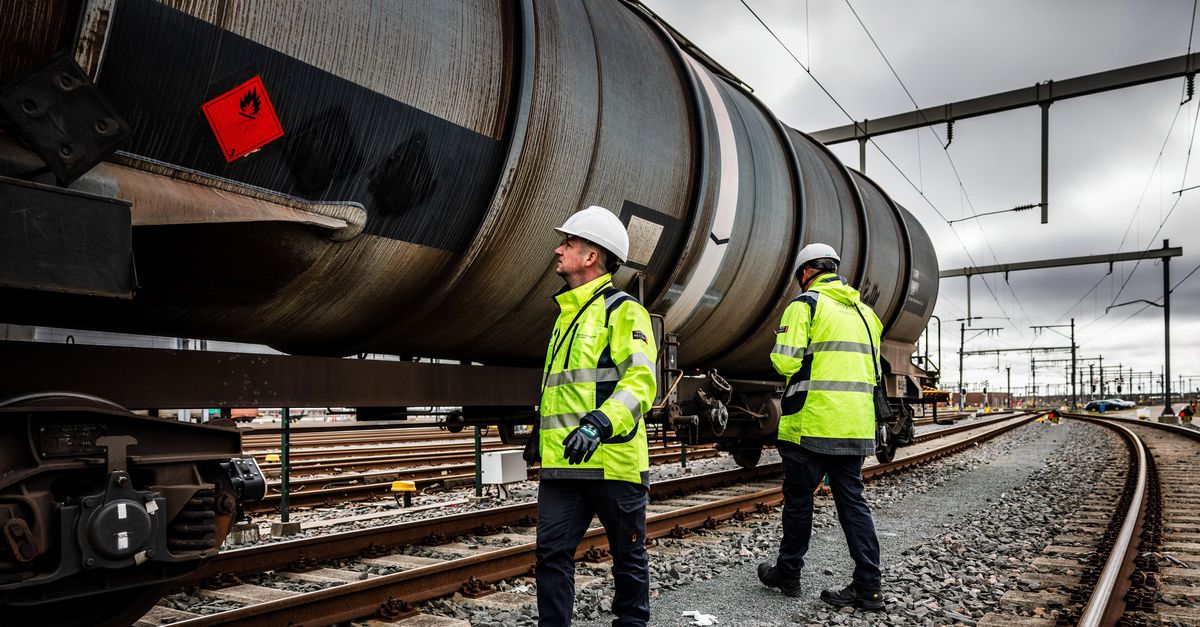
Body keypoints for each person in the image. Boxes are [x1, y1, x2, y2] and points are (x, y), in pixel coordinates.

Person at [532, 205, 658, 627]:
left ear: (590, 256)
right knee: (551, 554)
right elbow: (562, 386)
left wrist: (598, 424)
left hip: (613, 462)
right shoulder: (565, 316)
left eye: (567, 243)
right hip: (565, 464)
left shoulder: (623, 311)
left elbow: (640, 382)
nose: (557, 249)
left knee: (628, 555)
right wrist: (539, 431)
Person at [757, 243, 885, 610]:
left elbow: (784, 362)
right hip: (856, 426)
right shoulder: (866, 313)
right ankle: (869, 588)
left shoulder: (806, 305)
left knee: (799, 501)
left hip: (810, 423)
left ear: (805, 273)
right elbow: (874, 373)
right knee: (853, 504)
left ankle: (789, 574)